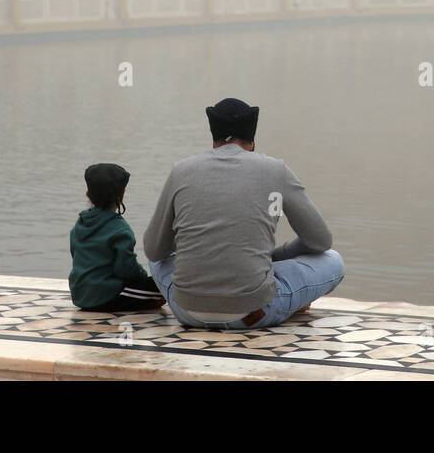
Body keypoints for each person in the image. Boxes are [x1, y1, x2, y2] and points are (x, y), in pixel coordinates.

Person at [143, 98, 344, 329]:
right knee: (333, 260)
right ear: (252, 140)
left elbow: (154, 249)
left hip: (187, 312)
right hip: (253, 314)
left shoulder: (181, 170)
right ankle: (288, 299)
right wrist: (276, 255)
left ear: (213, 139)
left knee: (155, 256)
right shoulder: (275, 170)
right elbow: (320, 241)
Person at [68, 163, 165, 312]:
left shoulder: (80, 224)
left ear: (89, 193)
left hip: (79, 294)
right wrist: (143, 278)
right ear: (120, 194)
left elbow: (77, 256)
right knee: (162, 286)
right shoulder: (119, 229)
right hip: (106, 296)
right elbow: (125, 269)